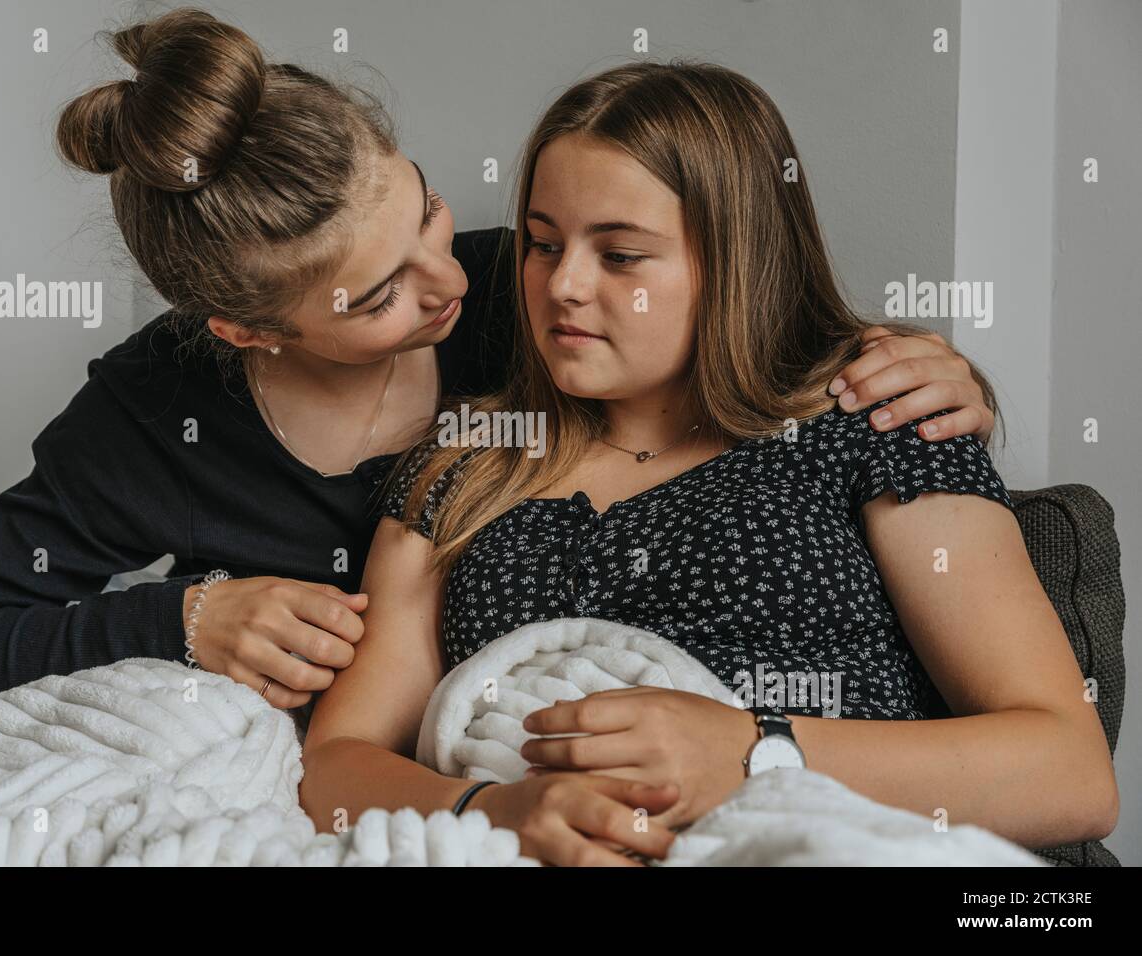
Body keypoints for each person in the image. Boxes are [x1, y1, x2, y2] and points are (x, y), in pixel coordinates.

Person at [0, 10, 997, 705]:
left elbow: (749, 337)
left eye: (425, 211)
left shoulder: (533, 286)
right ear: (248, 331)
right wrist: (183, 620)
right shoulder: (152, 414)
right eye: (380, 295)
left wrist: (931, 376)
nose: (454, 280)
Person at [298, 61, 1118, 866]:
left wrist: (756, 752)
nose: (562, 286)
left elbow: (1069, 772)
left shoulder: (881, 418)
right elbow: (334, 766)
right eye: (543, 245)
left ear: (736, 260)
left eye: (620, 256)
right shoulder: (469, 461)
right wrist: (492, 813)